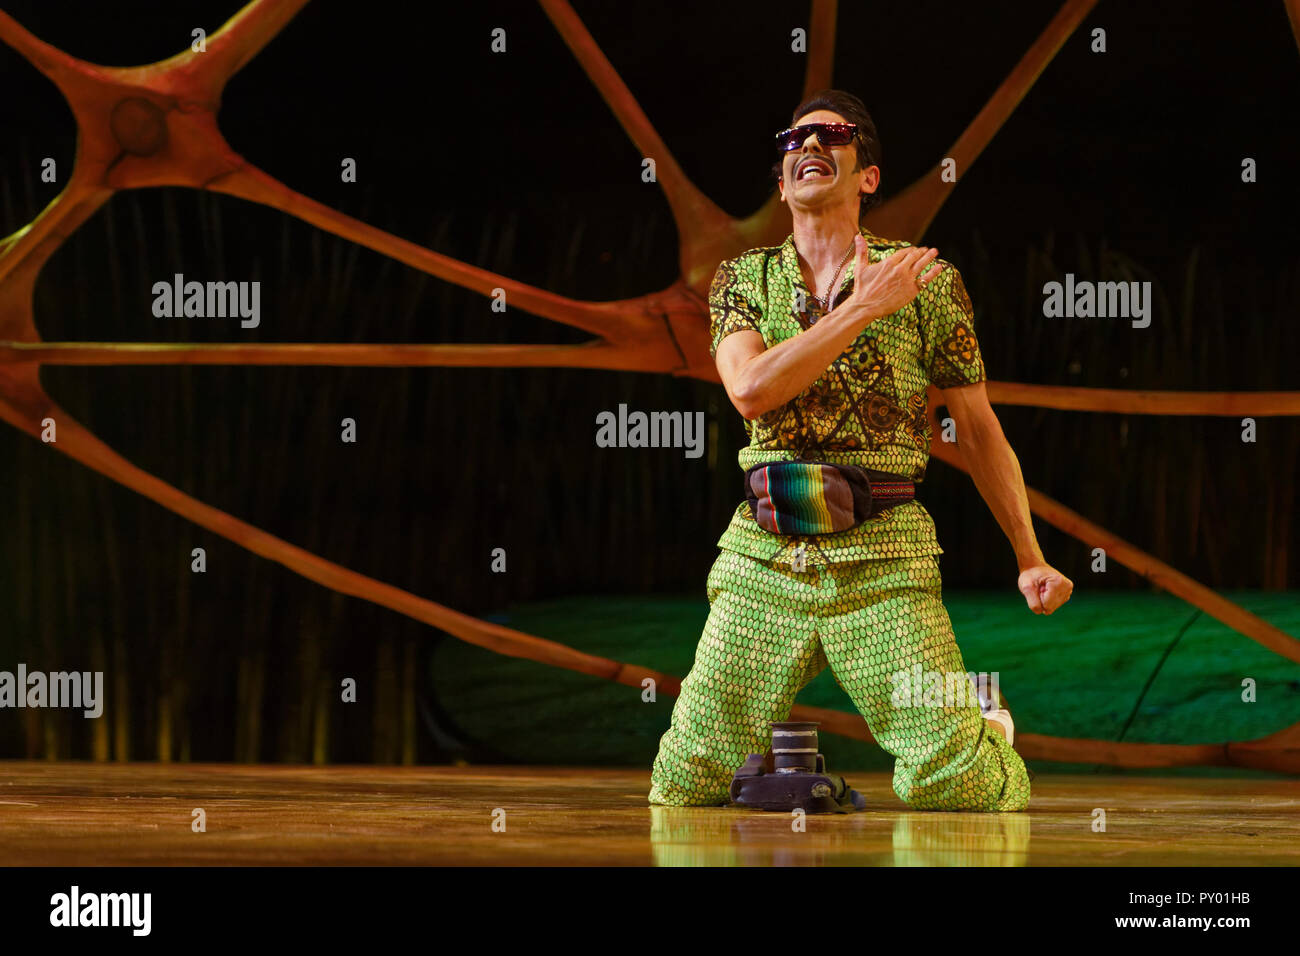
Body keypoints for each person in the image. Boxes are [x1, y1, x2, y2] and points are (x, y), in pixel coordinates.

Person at [648, 89, 1073, 811]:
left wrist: (1029, 555)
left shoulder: (927, 282)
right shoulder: (741, 280)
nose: (810, 145)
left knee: (956, 788)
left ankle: (987, 724)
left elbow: (978, 427)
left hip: (884, 552)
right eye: (794, 139)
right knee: (683, 785)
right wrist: (866, 306)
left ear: (866, 176)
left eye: (833, 134)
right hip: (764, 558)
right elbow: (751, 391)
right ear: (782, 183)